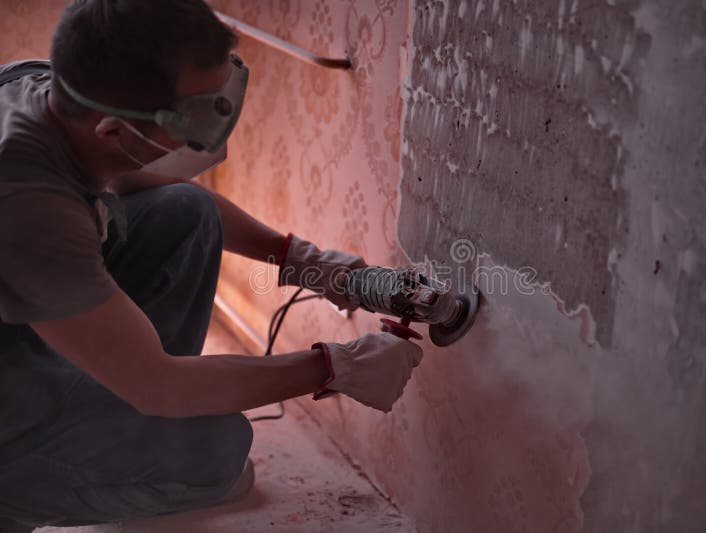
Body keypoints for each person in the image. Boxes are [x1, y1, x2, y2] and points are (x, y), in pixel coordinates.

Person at [0, 1, 423, 530]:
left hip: (22, 323)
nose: (217, 121)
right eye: (199, 113)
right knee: (216, 454)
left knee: (187, 211)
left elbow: (151, 183)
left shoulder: (44, 90)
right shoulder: (28, 203)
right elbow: (161, 385)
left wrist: (306, 264)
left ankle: (124, 424)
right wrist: (337, 367)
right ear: (112, 132)